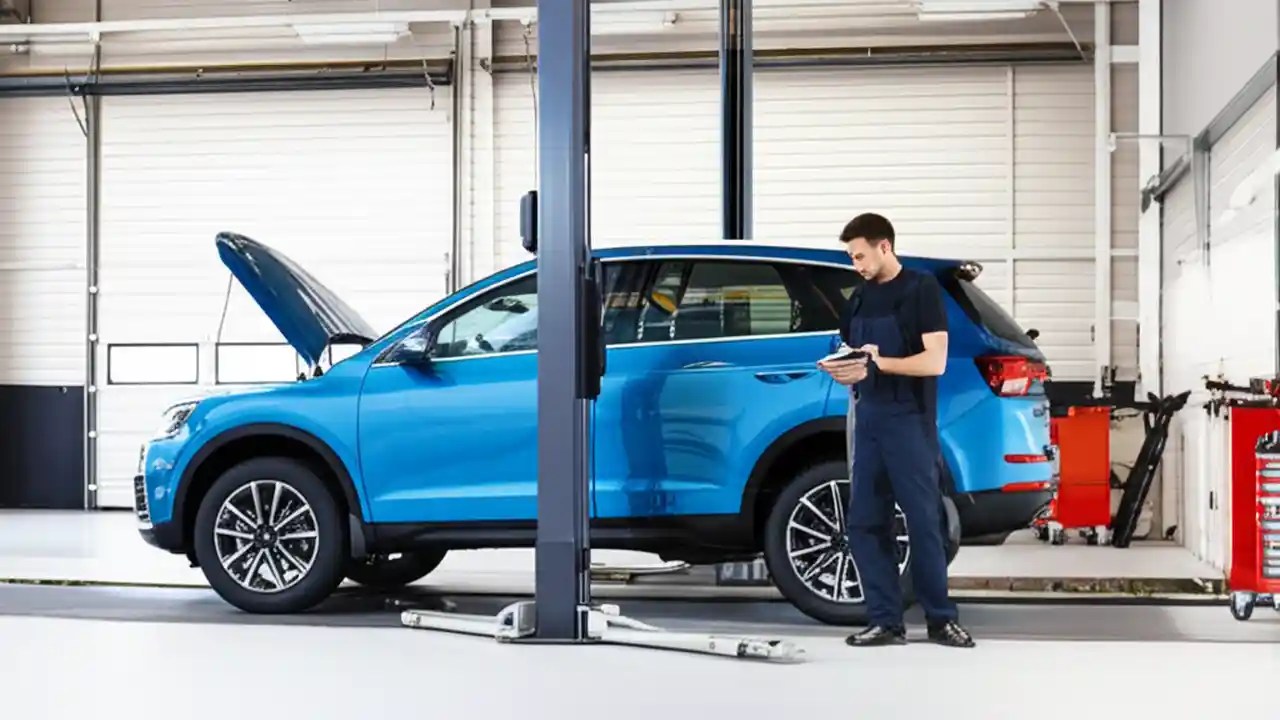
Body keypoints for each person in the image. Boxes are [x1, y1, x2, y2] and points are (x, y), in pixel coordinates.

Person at [818, 212, 975, 649]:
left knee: (925, 522)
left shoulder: (920, 289)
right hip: (867, 419)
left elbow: (935, 361)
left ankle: (942, 620)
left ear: (884, 246)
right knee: (865, 523)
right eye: (852, 258)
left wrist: (880, 363)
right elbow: (852, 350)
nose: (857, 265)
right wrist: (845, 369)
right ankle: (885, 622)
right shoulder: (859, 299)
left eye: (861, 255)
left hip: (908, 420)